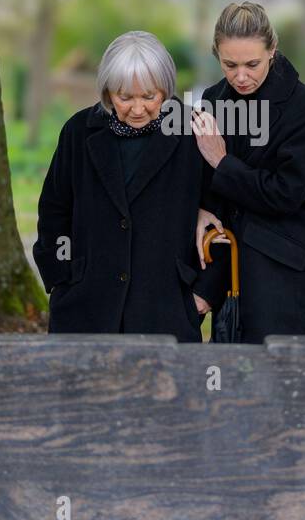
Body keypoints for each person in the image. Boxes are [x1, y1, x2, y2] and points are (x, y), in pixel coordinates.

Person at [34, 31, 213, 341]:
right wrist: (61, 276)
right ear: (107, 92)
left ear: (167, 90)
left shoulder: (193, 132)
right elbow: (54, 211)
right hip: (86, 307)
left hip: (166, 308)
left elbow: (222, 213)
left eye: (149, 96)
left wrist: (205, 292)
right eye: (125, 97)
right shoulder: (78, 131)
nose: (137, 108)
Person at [189, 1, 305, 342]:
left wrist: (222, 162)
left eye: (252, 64)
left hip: (287, 267)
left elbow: (285, 193)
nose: (241, 76)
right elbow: (209, 187)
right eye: (230, 65)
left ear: (273, 50)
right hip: (231, 264)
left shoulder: (303, 106)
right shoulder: (213, 101)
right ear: (217, 56)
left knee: (283, 377)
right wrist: (199, 209)